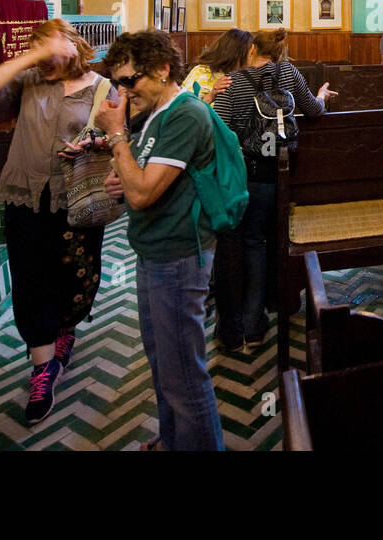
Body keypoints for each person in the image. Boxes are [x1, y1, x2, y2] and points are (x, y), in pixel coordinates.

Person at [0, 18, 115, 425]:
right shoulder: (30, 81)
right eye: (39, 53)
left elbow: (123, 137)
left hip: (77, 201)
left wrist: (93, 143)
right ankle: (43, 368)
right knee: (31, 279)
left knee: (76, 277)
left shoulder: (102, 88)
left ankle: (64, 328)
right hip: (25, 197)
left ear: (72, 46)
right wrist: (33, 55)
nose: (45, 62)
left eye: (50, 51)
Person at [95, 29, 225, 451]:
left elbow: (144, 192)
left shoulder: (185, 114)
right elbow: (138, 179)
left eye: (131, 81)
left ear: (163, 70)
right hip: (154, 252)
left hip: (179, 256)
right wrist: (124, 174)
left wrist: (117, 138)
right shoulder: (156, 114)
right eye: (118, 83)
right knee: (163, 365)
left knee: (184, 373)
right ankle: (173, 441)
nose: (125, 91)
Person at [210, 28, 335, 352]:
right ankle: (270, 311)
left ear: (252, 50)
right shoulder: (290, 72)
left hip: (243, 176)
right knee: (267, 241)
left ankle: (242, 327)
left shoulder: (233, 82)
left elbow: (219, 129)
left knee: (242, 245)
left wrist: (210, 98)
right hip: (279, 175)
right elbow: (314, 110)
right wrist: (321, 95)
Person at [181, 28, 252, 103]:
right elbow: (186, 107)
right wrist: (212, 95)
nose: (251, 59)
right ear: (236, 55)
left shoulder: (244, 74)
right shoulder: (202, 72)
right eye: (250, 54)